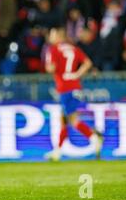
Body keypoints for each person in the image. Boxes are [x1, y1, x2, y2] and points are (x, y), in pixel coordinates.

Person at [44, 27, 103, 161]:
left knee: (72, 120)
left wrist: (51, 67)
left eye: (52, 34)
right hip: (76, 87)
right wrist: (77, 74)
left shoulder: (53, 49)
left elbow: (50, 68)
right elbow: (88, 63)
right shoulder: (73, 48)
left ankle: (94, 138)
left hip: (65, 88)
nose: (50, 37)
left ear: (59, 36)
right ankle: (57, 151)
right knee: (65, 119)